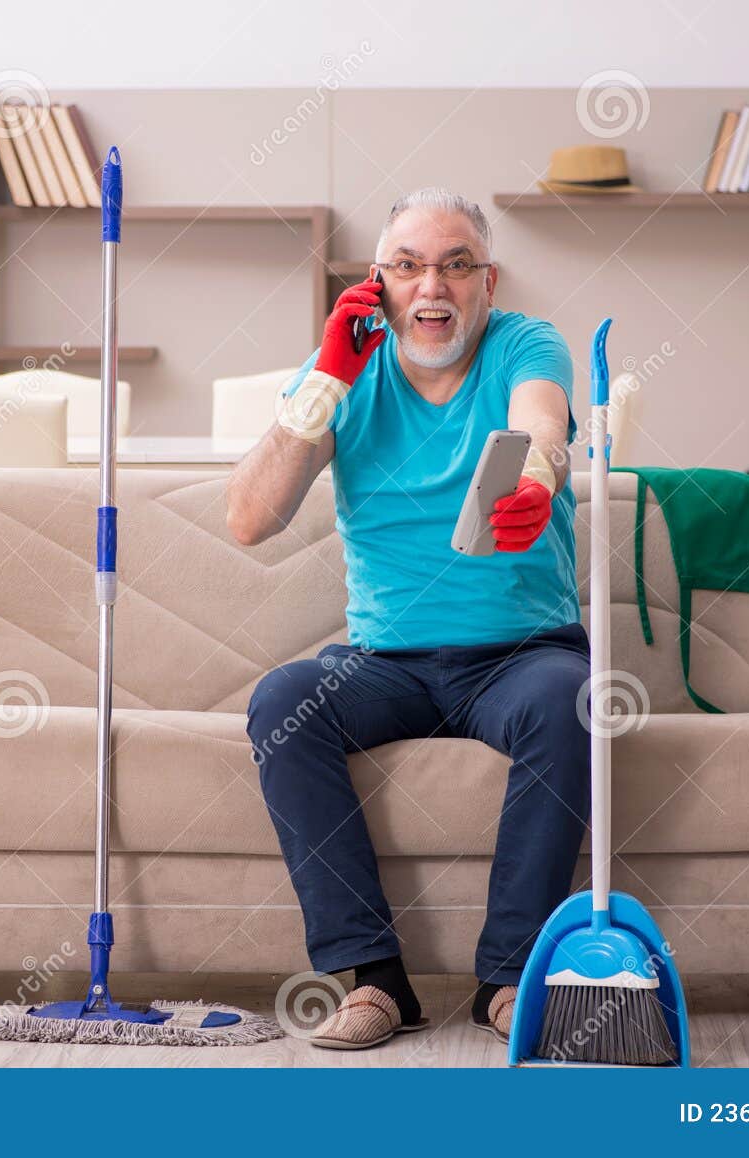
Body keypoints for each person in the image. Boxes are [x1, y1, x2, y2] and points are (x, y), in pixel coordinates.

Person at [226, 188, 588, 1051]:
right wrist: (325, 379)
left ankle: (508, 979)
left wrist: (537, 479)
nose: (434, 285)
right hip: (386, 660)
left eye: (457, 265)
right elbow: (249, 519)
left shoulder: (523, 343)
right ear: (377, 283)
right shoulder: (344, 376)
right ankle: (376, 980)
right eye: (408, 265)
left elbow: (541, 422)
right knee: (283, 702)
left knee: (572, 702)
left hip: (522, 655)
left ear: (488, 281)